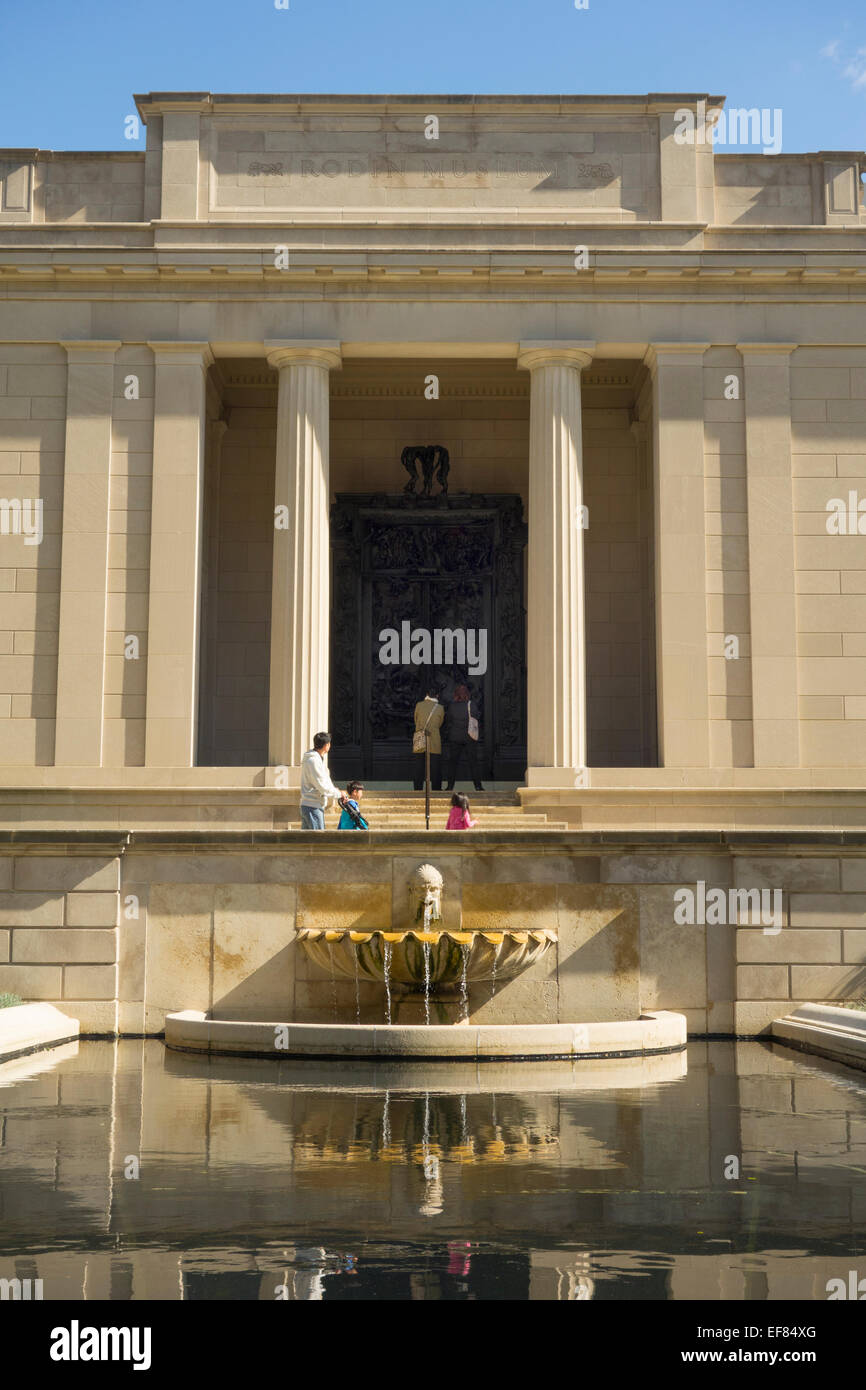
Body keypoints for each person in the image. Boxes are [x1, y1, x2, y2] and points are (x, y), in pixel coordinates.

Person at [299, 732, 346, 830]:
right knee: (318, 842)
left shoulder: (316, 759)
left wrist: (334, 790)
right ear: (327, 745)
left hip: (311, 805)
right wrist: (338, 793)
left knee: (307, 842)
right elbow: (322, 785)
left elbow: (323, 782)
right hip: (313, 806)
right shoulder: (313, 761)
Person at [443, 684, 484, 791]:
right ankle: (478, 786)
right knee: (473, 762)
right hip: (469, 737)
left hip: (455, 737)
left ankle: (450, 786)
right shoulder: (472, 704)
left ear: (456, 694)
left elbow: (448, 721)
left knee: (452, 763)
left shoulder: (452, 706)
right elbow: (476, 717)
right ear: (467, 694)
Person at [412, 682, 444, 791]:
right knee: (435, 767)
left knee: (418, 766)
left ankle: (417, 789)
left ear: (427, 694)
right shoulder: (440, 708)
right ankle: (436, 789)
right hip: (434, 739)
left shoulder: (419, 705)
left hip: (420, 737)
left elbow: (416, 719)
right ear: (437, 695)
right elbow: (440, 723)